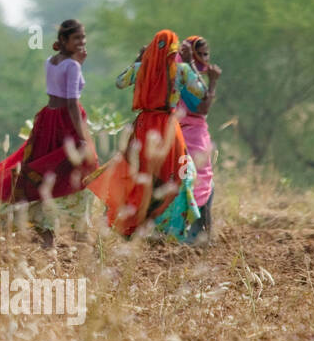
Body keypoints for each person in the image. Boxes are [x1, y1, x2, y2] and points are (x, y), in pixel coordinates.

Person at [0, 19, 100, 247]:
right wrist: (83, 137)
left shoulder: (51, 61)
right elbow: (72, 103)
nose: (82, 42)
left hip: (47, 119)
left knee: (45, 174)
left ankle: (47, 235)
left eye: (83, 37)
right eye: (76, 38)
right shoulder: (72, 66)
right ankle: (79, 231)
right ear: (64, 41)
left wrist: (78, 63)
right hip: (66, 123)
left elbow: (60, 92)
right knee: (81, 173)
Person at [91, 29, 206, 242]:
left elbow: (119, 82)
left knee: (139, 174)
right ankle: (167, 229)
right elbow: (202, 92)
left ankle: (131, 224)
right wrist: (190, 63)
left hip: (144, 128)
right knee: (178, 173)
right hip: (168, 128)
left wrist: (139, 59)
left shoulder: (140, 69)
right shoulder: (181, 71)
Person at [178, 35, 221, 243]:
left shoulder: (186, 74)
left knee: (194, 183)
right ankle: (198, 236)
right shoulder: (187, 76)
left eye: (207, 54)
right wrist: (213, 83)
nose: (205, 58)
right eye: (200, 54)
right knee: (202, 184)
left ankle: (195, 234)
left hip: (190, 136)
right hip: (191, 139)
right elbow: (203, 107)